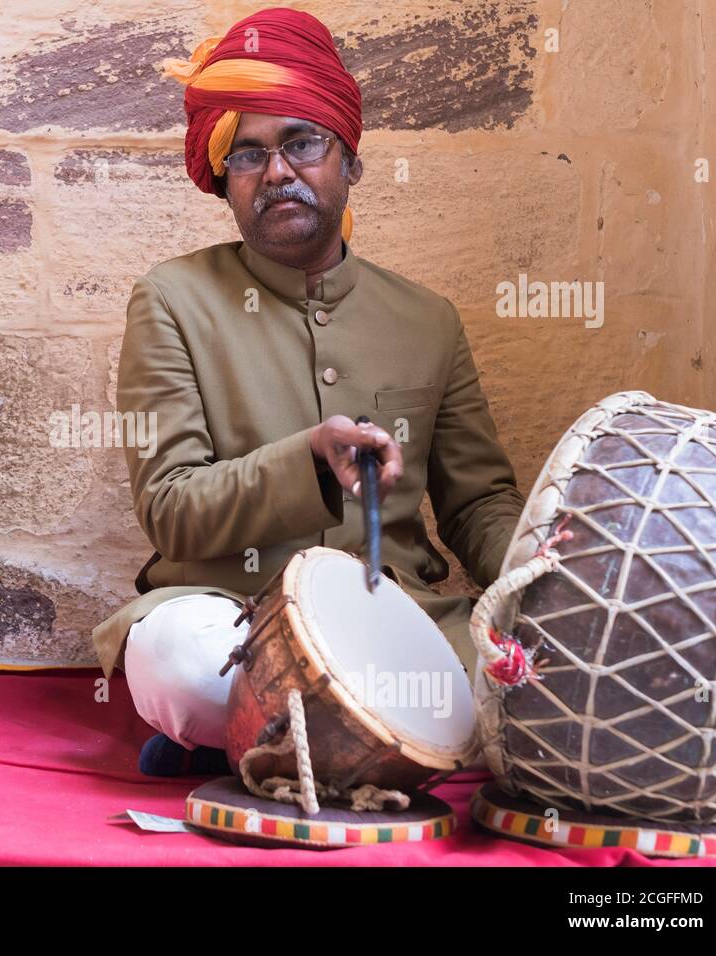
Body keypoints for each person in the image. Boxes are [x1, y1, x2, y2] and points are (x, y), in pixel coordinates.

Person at [92, 8, 525, 775]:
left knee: (534, 683)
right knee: (175, 661)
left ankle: (266, 741)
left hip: (395, 616)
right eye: (248, 155)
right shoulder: (171, 301)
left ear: (349, 160)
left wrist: (546, 576)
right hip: (233, 614)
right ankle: (306, 732)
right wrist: (310, 465)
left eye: (301, 142)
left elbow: (476, 503)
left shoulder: (426, 320)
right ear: (223, 178)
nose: (278, 171)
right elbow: (171, 509)